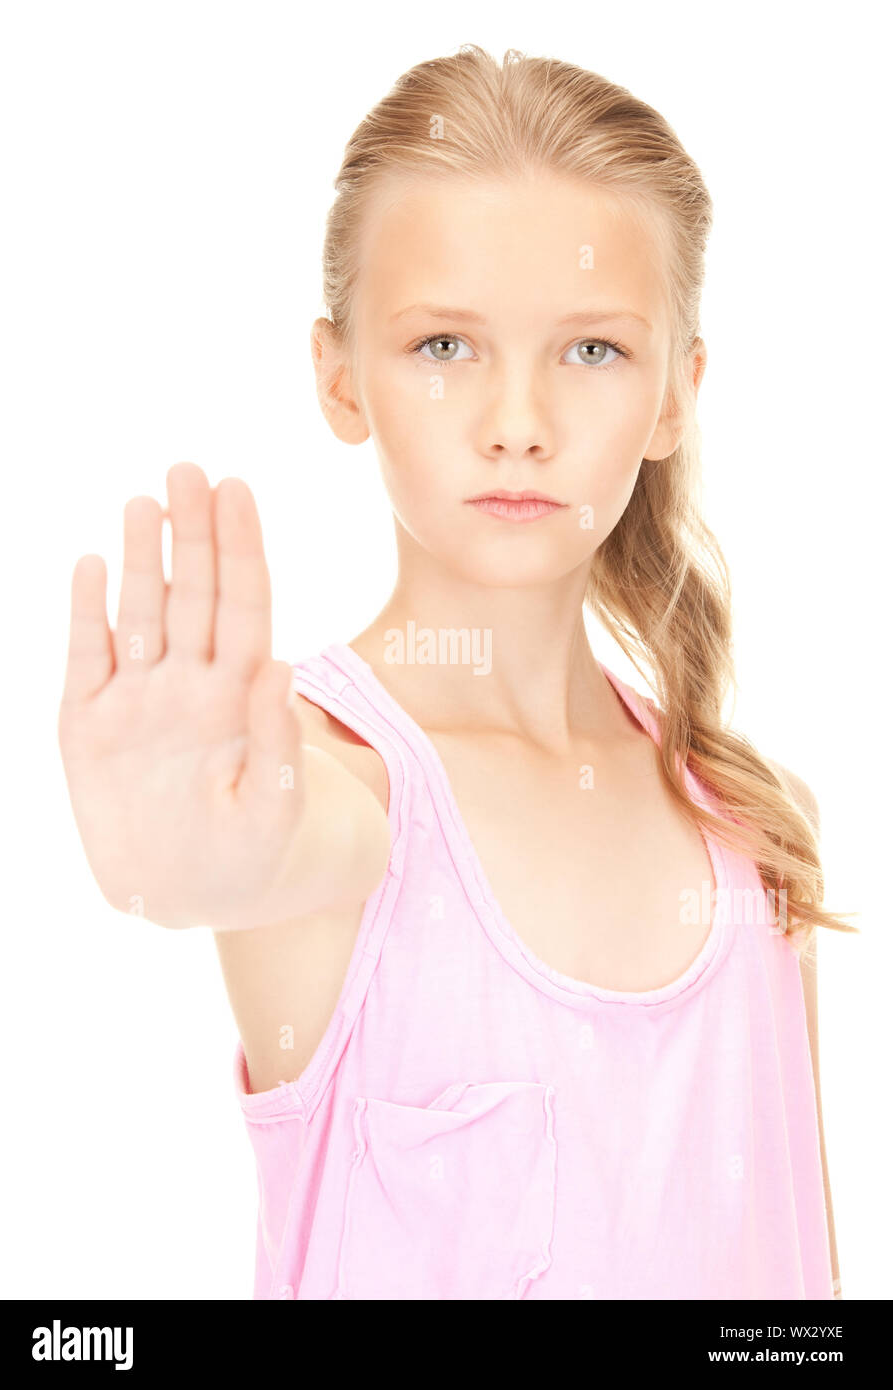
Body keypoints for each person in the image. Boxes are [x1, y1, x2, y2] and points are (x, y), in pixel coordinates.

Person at [58, 44, 854, 1300]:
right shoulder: (331, 779)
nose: (517, 418)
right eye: (443, 346)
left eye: (591, 350)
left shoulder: (752, 834)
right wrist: (181, 859)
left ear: (671, 399)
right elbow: (265, 849)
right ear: (339, 377)